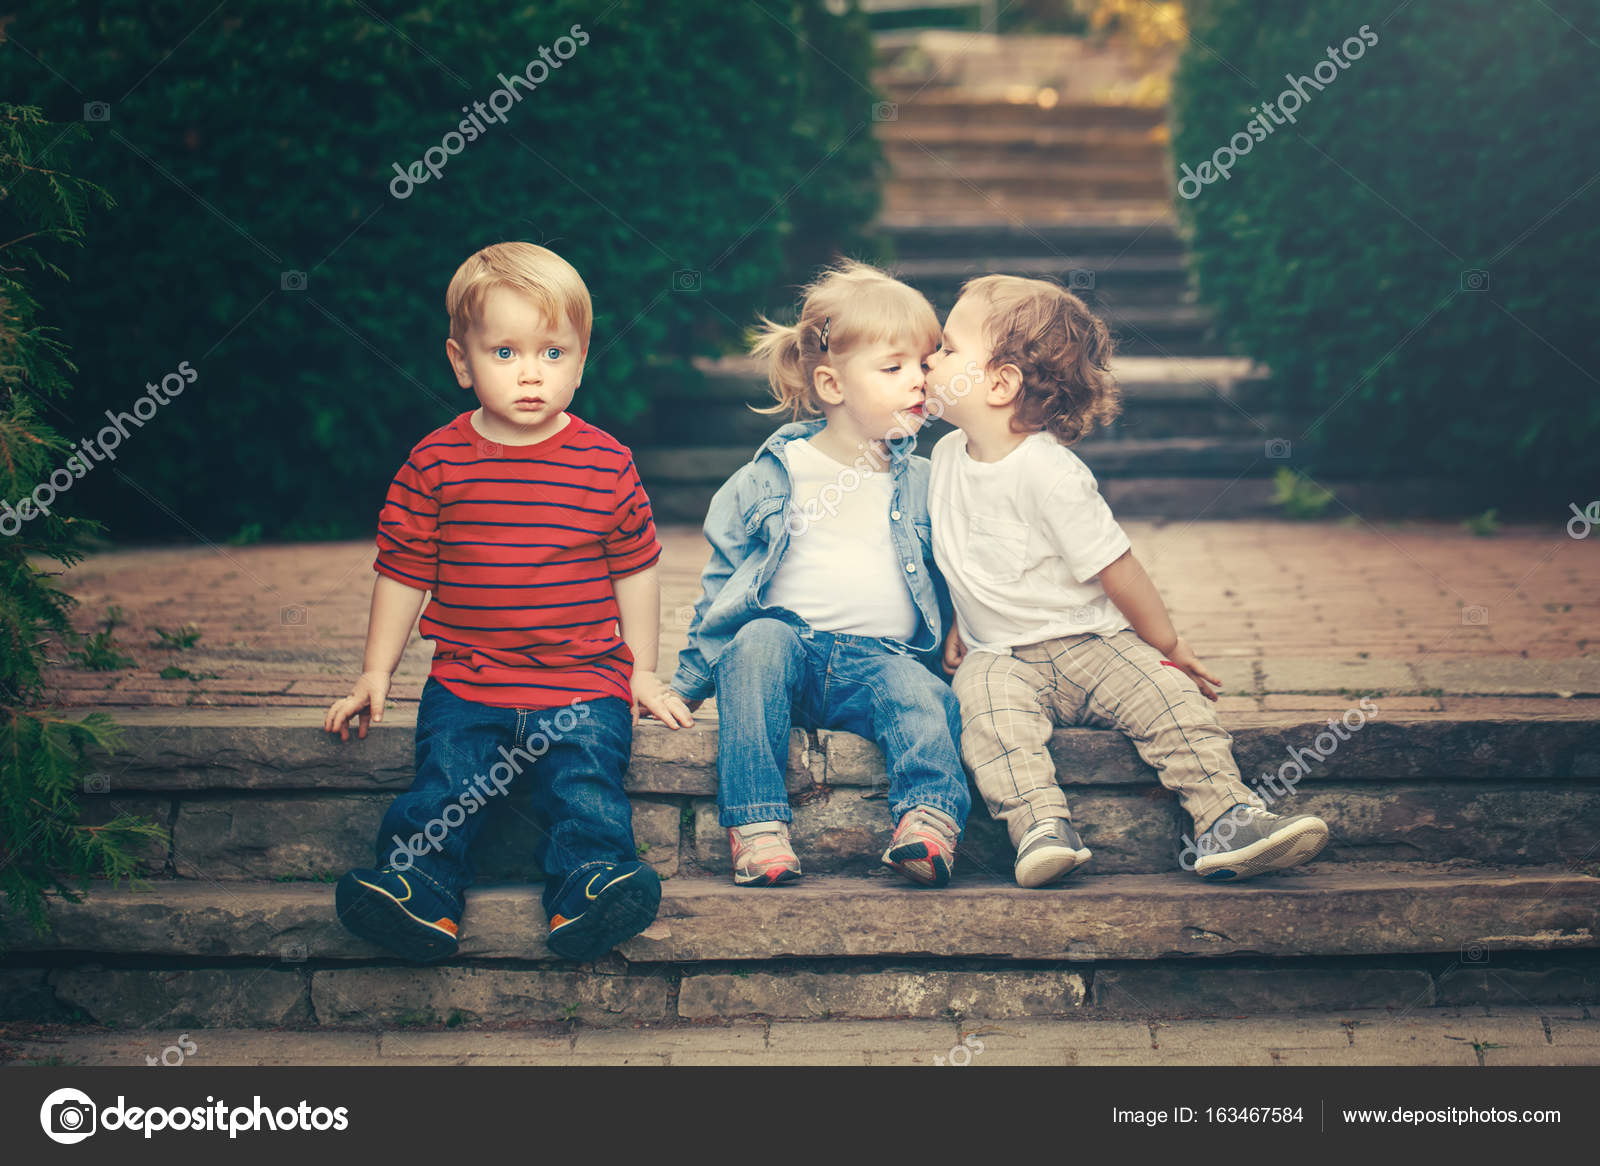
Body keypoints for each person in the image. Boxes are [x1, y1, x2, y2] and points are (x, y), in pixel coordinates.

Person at [324, 242, 691, 963]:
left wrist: (641, 672)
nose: (531, 372)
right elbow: (403, 571)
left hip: (585, 684)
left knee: (586, 784)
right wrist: (376, 674)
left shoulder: (605, 463)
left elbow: (637, 572)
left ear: (583, 360)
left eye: (554, 353)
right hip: (469, 681)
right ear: (461, 362)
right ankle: (417, 893)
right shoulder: (435, 463)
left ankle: (591, 887)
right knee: (443, 786)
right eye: (505, 352)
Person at [927, 274, 1328, 886]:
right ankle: (1039, 827)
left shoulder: (1050, 474)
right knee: (985, 718)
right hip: (1000, 656)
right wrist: (959, 617)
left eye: (948, 348)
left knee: (1171, 702)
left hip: (1096, 644)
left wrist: (1165, 646)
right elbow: (969, 555)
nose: (930, 357)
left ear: (1001, 383)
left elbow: (1119, 569)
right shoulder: (944, 462)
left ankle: (1227, 817)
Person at [670, 261, 971, 887]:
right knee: (752, 645)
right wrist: (687, 684)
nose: (918, 381)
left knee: (925, 697)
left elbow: (960, 566)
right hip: (789, 649)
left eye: (924, 363)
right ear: (832, 384)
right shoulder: (769, 478)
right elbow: (723, 586)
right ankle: (756, 826)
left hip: (882, 660)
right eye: (893, 368)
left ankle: (928, 820)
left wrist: (967, 630)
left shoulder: (928, 480)